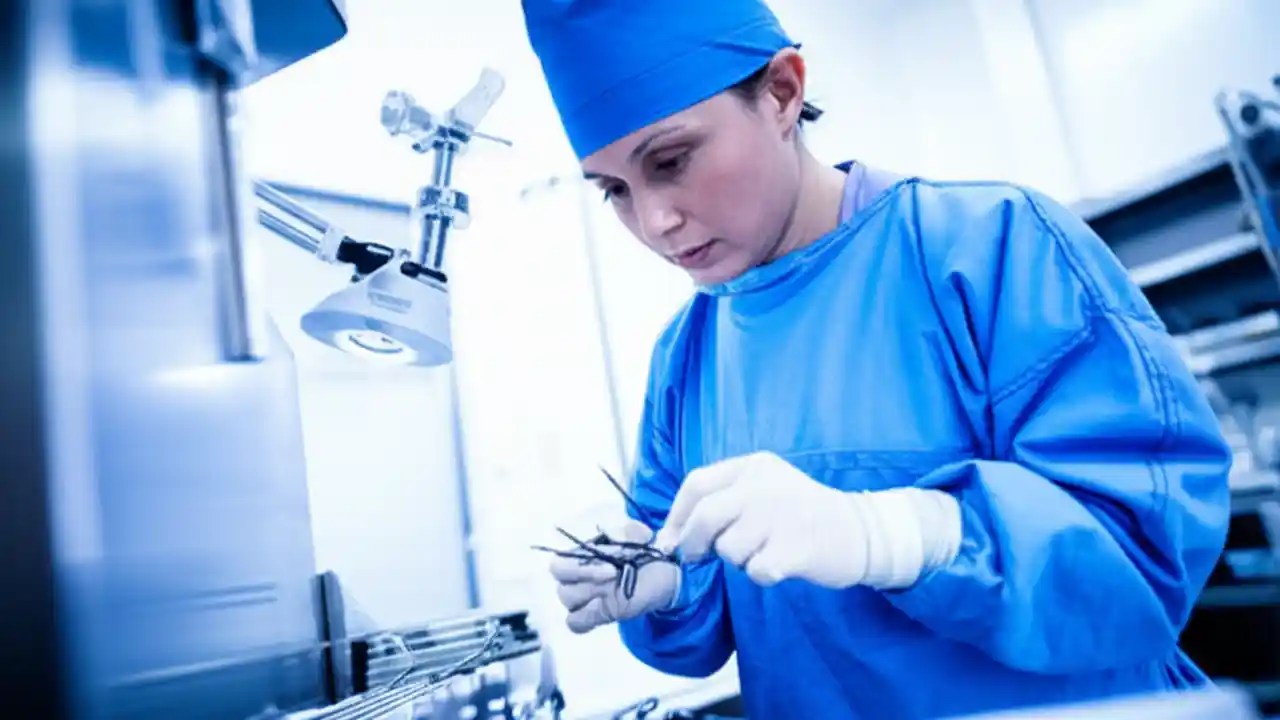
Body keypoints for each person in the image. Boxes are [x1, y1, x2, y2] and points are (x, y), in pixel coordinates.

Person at [521, 1, 1233, 718]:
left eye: (670, 162)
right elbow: (698, 635)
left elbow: (1146, 558)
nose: (653, 221)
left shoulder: (991, 248)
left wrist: (891, 535)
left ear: (781, 92)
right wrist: (663, 585)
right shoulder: (686, 357)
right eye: (614, 190)